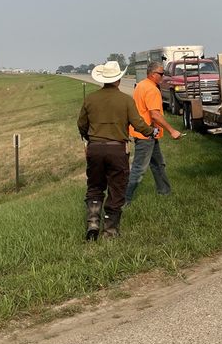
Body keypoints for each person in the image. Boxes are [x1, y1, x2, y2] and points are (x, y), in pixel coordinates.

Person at [77, 60, 157, 241]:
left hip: (95, 149)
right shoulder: (126, 100)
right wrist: (151, 131)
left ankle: (93, 222)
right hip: (117, 150)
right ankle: (110, 230)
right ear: (119, 79)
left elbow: (81, 124)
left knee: (95, 186)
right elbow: (138, 124)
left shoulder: (90, 99)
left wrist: (89, 139)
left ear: (102, 79)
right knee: (116, 188)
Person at [125, 61, 183, 204]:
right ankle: (124, 200)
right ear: (152, 74)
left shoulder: (141, 85)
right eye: (161, 74)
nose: (163, 76)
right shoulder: (152, 89)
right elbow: (155, 115)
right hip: (146, 135)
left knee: (158, 164)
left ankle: (164, 192)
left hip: (148, 133)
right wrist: (172, 130)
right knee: (139, 169)